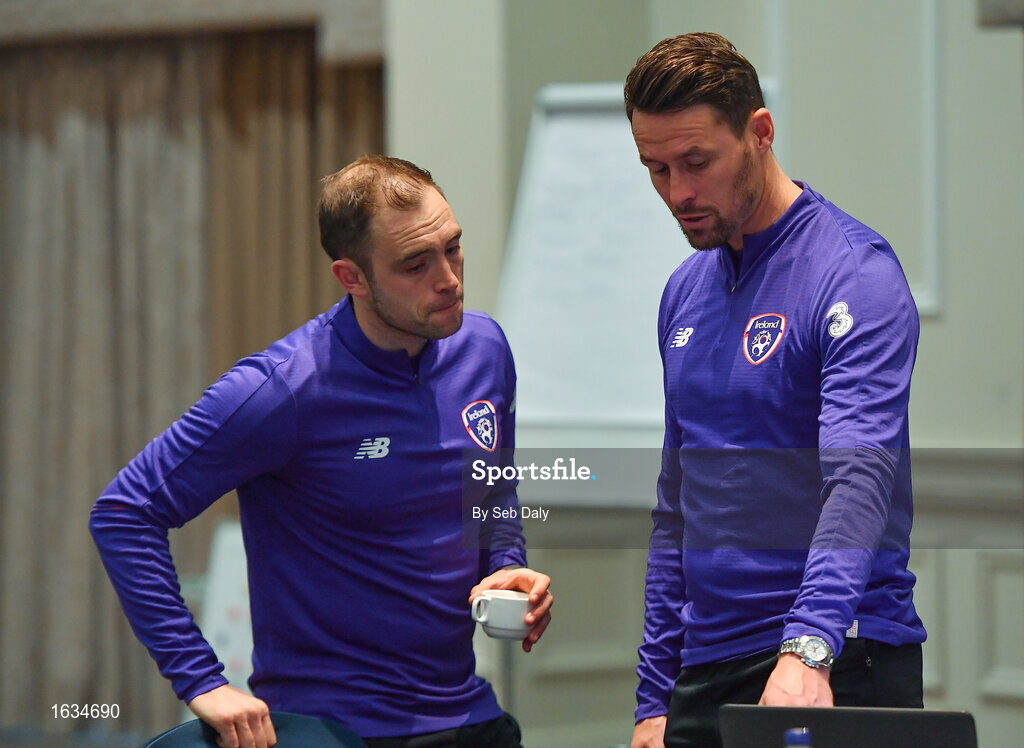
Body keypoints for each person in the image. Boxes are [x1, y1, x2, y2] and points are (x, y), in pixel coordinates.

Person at [90, 156, 552, 748]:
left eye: (453, 247)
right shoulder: (280, 390)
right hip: (328, 727)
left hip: (466, 716)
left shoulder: (483, 347)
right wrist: (201, 680)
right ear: (351, 277)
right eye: (416, 264)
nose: (450, 278)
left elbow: (490, 487)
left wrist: (504, 564)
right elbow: (125, 512)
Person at [623, 33, 926, 748]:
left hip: (838, 657)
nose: (678, 193)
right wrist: (653, 697)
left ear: (759, 133)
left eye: (697, 162)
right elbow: (677, 507)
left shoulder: (855, 273)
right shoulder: (683, 293)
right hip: (706, 667)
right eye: (656, 168)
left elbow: (858, 477)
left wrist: (809, 646)